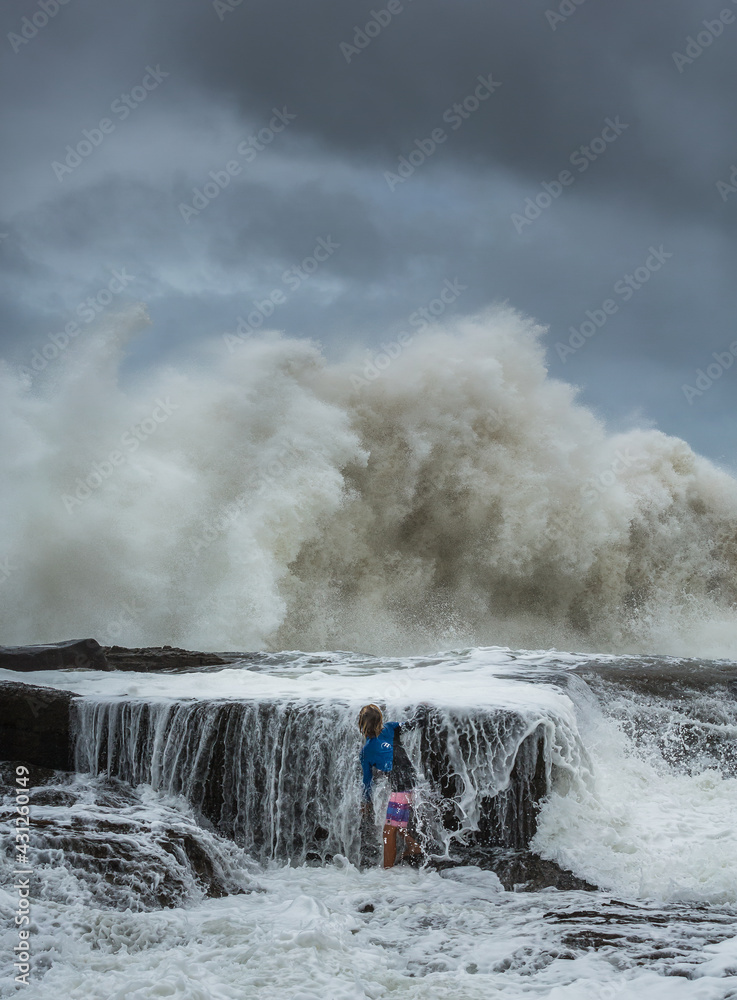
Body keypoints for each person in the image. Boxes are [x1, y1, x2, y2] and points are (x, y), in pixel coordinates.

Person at [358, 703, 426, 868]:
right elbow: (414, 723)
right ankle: (413, 846)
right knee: (397, 825)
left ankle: (387, 873)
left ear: (361, 725)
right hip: (412, 782)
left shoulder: (366, 751)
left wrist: (366, 802)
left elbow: (367, 781)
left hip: (401, 789)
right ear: (381, 719)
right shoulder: (391, 728)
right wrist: (423, 709)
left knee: (388, 831)